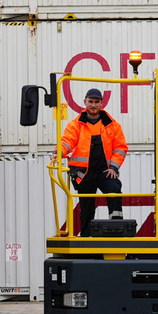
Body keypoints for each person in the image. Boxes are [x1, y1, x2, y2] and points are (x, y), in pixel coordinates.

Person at [52, 88, 128, 235]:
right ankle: (86, 236)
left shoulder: (113, 125)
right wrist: (58, 152)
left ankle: (116, 228)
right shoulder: (75, 125)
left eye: (97, 102)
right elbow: (67, 141)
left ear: (102, 104)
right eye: (91, 102)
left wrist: (113, 167)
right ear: (85, 102)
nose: (93, 105)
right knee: (86, 208)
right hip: (84, 173)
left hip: (104, 171)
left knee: (114, 190)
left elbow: (120, 148)